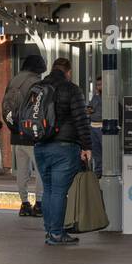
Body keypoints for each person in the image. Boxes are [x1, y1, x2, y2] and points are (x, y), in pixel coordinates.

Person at [33, 57, 91, 245]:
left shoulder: (38, 88)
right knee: (59, 192)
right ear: (68, 71)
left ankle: (50, 231)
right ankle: (57, 233)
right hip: (64, 147)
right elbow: (81, 120)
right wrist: (87, 146)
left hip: (41, 146)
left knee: (48, 190)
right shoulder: (71, 89)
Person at [5, 52, 47, 217]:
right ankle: (39, 204)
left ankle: (24, 204)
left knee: (22, 171)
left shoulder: (13, 80)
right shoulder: (36, 82)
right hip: (32, 133)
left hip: (16, 133)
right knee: (41, 170)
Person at [88, 74, 104, 177]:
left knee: (104, 150)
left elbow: (100, 113)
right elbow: (90, 109)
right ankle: (98, 171)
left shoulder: (107, 97)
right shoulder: (95, 97)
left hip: (102, 126)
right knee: (96, 151)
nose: (99, 87)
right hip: (93, 126)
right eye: (97, 85)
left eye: (101, 84)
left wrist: (92, 112)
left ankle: (105, 170)